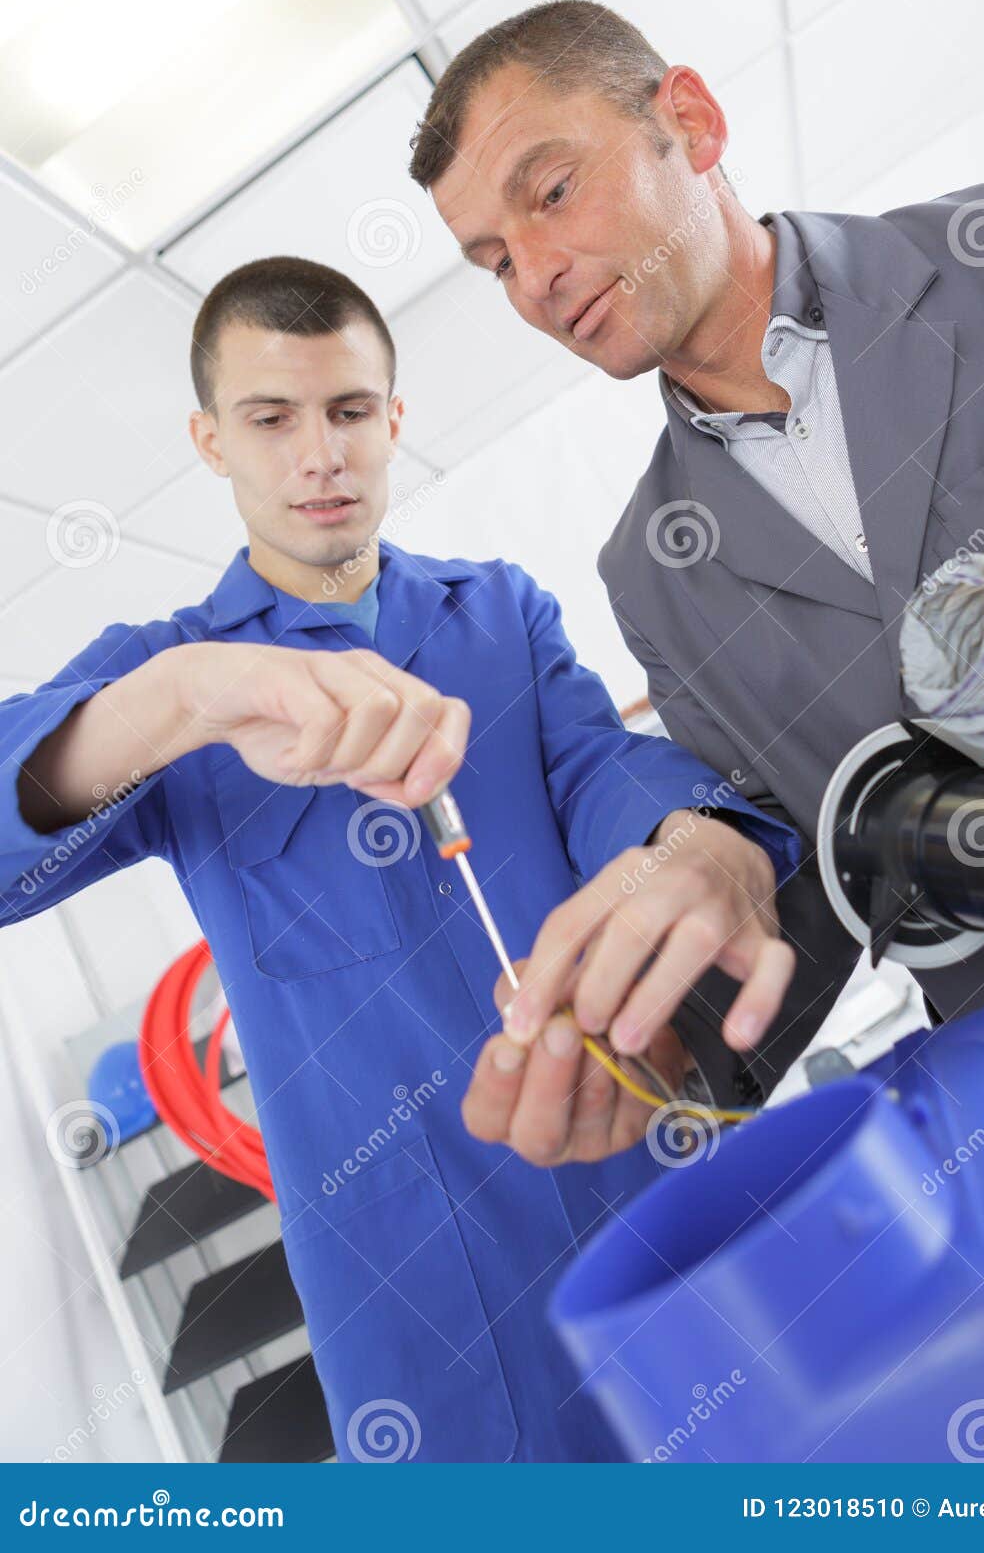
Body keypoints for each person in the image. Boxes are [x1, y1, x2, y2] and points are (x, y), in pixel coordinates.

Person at [0, 256, 799, 1463]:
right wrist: (190, 696)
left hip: (631, 1162)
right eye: (271, 419)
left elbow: (596, 770)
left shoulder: (495, 614)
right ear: (210, 441)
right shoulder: (166, 677)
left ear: (393, 421)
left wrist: (689, 842)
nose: (318, 454)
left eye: (349, 411)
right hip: (420, 1286)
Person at [408, 0, 984, 1158]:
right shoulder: (653, 579)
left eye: (550, 193)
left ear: (692, 123)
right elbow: (812, 885)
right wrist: (659, 1043)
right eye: (495, 261)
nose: (537, 279)